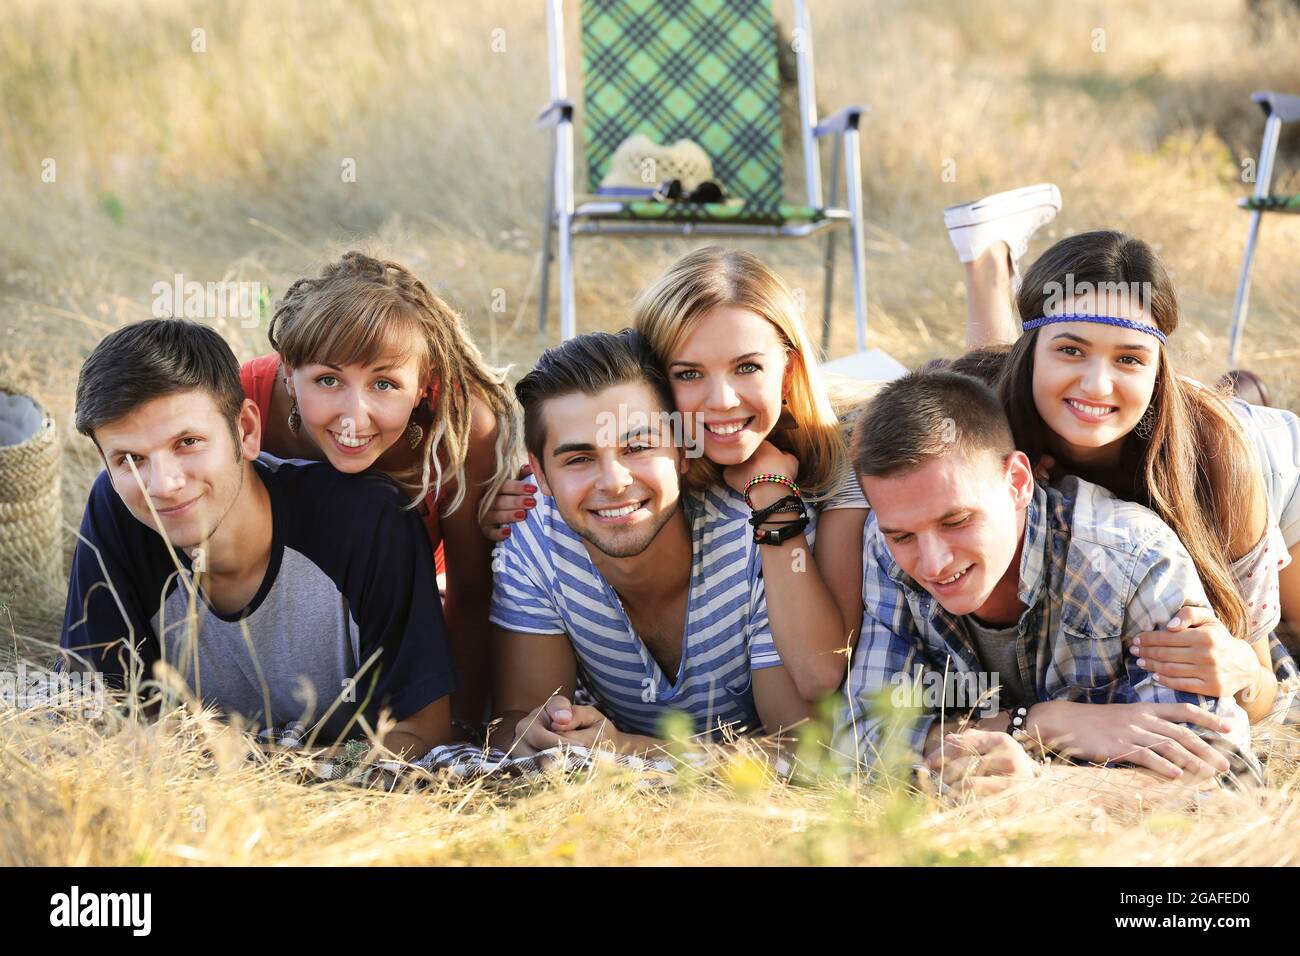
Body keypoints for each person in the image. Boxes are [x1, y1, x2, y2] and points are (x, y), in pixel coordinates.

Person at [834, 369, 1258, 793]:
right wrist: (1040, 723)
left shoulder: (1131, 557)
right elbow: (856, 740)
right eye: (903, 536)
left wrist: (1041, 786)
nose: (933, 562)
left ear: (1018, 483)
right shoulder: (884, 537)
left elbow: (1228, 787)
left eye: (957, 521)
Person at [484, 247, 873, 702]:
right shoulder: (664, 456)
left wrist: (771, 497)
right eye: (689, 374)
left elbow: (821, 673)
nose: (722, 399)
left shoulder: (848, 451)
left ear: (788, 370)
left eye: (746, 367)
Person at [945, 225, 1300, 724]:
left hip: (1276, 473)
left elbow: (1260, 692)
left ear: (1158, 367)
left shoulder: (1218, 455)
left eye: (1129, 359)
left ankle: (1247, 395)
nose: (1097, 384)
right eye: (1070, 350)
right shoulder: (985, 418)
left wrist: (1241, 670)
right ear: (1030, 352)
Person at [60, 319, 455, 759]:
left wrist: (266, 769)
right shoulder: (117, 508)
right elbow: (93, 706)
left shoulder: (368, 522)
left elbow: (424, 729)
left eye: (188, 442)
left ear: (246, 431)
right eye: (130, 458)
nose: (163, 484)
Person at [488, 330, 812, 756]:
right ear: (542, 475)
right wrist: (539, 734)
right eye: (579, 459)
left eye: (638, 446)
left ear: (682, 450)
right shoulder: (534, 538)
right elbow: (513, 721)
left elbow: (804, 753)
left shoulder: (756, 535)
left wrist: (626, 749)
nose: (615, 482)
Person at [241, 251, 517, 732]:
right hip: (275, 612)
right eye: (328, 379)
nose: (354, 416)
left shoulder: (461, 426)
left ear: (424, 384)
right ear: (289, 370)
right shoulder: (249, 401)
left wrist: (462, 729)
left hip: (405, 616)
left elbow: (471, 595)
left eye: (385, 384)